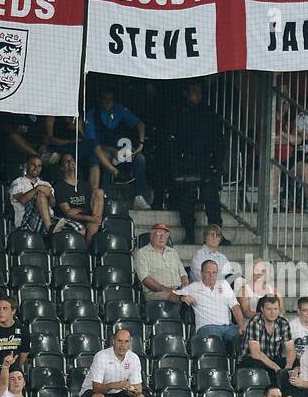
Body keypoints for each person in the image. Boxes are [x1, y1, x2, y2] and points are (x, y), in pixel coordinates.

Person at [165, 82, 226, 244]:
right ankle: (189, 233)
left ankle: (217, 234)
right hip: (186, 163)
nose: (197, 95)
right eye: (193, 91)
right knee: (187, 197)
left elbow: (218, 140)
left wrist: (217, 163)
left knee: (211, 197)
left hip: (206, 162)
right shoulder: (177, 113)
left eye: (199, 92)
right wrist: (175, 167)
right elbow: (171, 143)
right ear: (186, 93)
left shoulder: (208, 113)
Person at [84, 89, 152, 210]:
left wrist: (140, 144)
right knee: (103, 159)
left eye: (110, 100)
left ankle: (140, 197)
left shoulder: (119, 109)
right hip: (101, 151)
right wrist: (110, 150)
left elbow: (140, 124)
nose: (107, 102)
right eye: (104, 99)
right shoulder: (92, 114)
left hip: (121, 151)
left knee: (140, 159)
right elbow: (91, 142)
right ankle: (104, 198)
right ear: (99, 99)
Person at [176, 260, 245, 344]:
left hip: (228, 327)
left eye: (214, 272)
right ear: (201, 274)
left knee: (247, 338)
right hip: (207, 327)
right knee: (216, 343)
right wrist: (181, 298)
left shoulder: (224, 284)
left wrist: (242, 326)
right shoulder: (194, 287)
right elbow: (172, 296)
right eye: (208, 272)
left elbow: (235, 307)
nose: (211, 275)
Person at [78, 328, 143, 397]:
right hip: (92, 391)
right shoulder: (101, 356)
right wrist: (113, 385)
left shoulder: (134, 358)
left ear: (129, 344)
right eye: (119, 341)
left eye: (126, 341)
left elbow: (138, 386)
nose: (123, 345)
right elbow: (96, 388)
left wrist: (134, 391)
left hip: (118, 393)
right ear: (113, 342)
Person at [53, 151, 105, 246]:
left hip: (88, 218)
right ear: (61, 168)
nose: (70, 162)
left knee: (99, 192)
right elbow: (68, 213)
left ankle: (87, 256)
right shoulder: (59, 186)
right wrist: (89, 217)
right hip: (70, 220)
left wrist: (80, 210)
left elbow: (89, 207)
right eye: (67, 161)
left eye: (72, 160)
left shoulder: (84, 184)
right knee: (81, 230)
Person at [238, 295, 296, 379]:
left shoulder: (283, 322)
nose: (273, 313)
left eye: (275, 309)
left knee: (296, 363)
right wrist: (275, 367)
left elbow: (291, 349)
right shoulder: (255, 322)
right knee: (258, 365)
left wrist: (288, 367)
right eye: (269, 309)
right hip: (252, 360)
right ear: (262, 309)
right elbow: (255, 353)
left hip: (273, 358)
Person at [133, 222, 189, 305]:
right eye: (158, 234)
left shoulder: (172, 252)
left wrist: (185, 288)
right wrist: (167, 290)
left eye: (165, 235)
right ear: (151, 236)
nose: (162, 237)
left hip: (177, 290)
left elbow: (183, 275)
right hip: (155, 293)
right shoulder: (142, 253)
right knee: (174, 296)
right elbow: (145, 279)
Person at [10, 155, 60, 234]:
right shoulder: (17, 183)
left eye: (39, 166)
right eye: (33, 165)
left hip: (49, 219)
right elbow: (22, 200)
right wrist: (37, 188)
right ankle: (50, 230)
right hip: (26, 222)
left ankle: (50, 229)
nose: (36, 168)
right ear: (27, 165)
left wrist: (50, 195)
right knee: (40, 195)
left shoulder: (46, 184)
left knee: (78, 228)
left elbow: (53, 204)